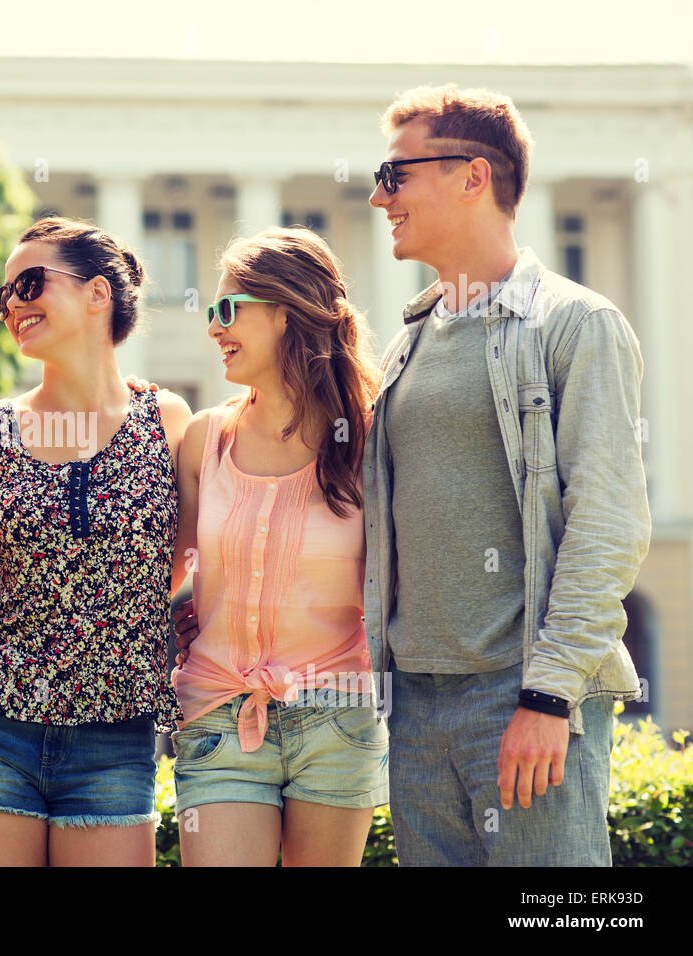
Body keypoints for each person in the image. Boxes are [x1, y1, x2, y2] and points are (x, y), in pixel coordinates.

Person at [365, 84, 649, 865]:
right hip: (418, 705)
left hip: (523, 693)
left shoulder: (575, 324)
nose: (377, 195)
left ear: (472, 176)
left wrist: (548, 694)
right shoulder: (408, 345)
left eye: (395, 175)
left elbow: (609, 521)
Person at [0, 216, 193, 866]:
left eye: (31, 283)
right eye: (5, 296)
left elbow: (183, 560)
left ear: (99, 293)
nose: (14, 303)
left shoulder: (171, 422)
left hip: (113, 733)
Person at [171, 227, 386, 866]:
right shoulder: (204, 439)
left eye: (228, 308)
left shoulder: (371, 438)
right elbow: (162, 567)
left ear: (287, 310)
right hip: (218, 712)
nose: (214, 327)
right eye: (211, 311)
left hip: (338, 715)